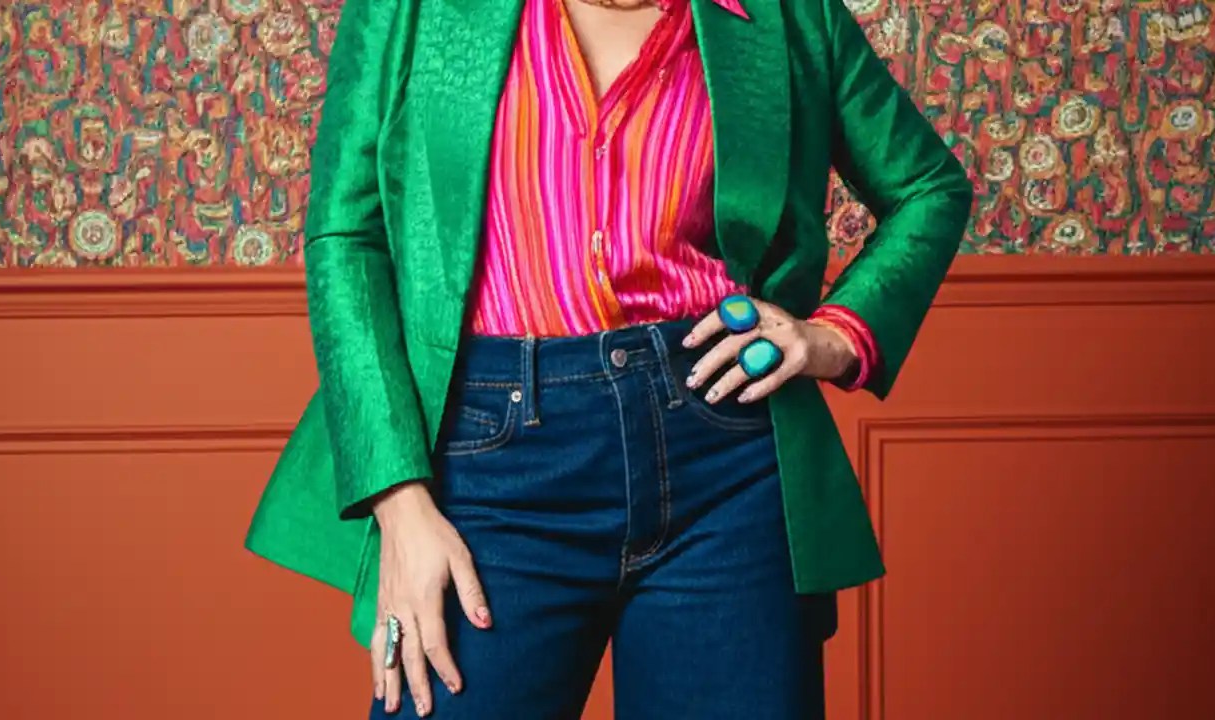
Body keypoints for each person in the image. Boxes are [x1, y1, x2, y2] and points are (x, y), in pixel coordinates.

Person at [244, 0, 972, 717]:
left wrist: (836, 335)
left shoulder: (786, 14)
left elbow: (927, 186)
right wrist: (400, 506)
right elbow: (346, 233)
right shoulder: (412, 9)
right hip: (489, 467)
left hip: (725, 462)